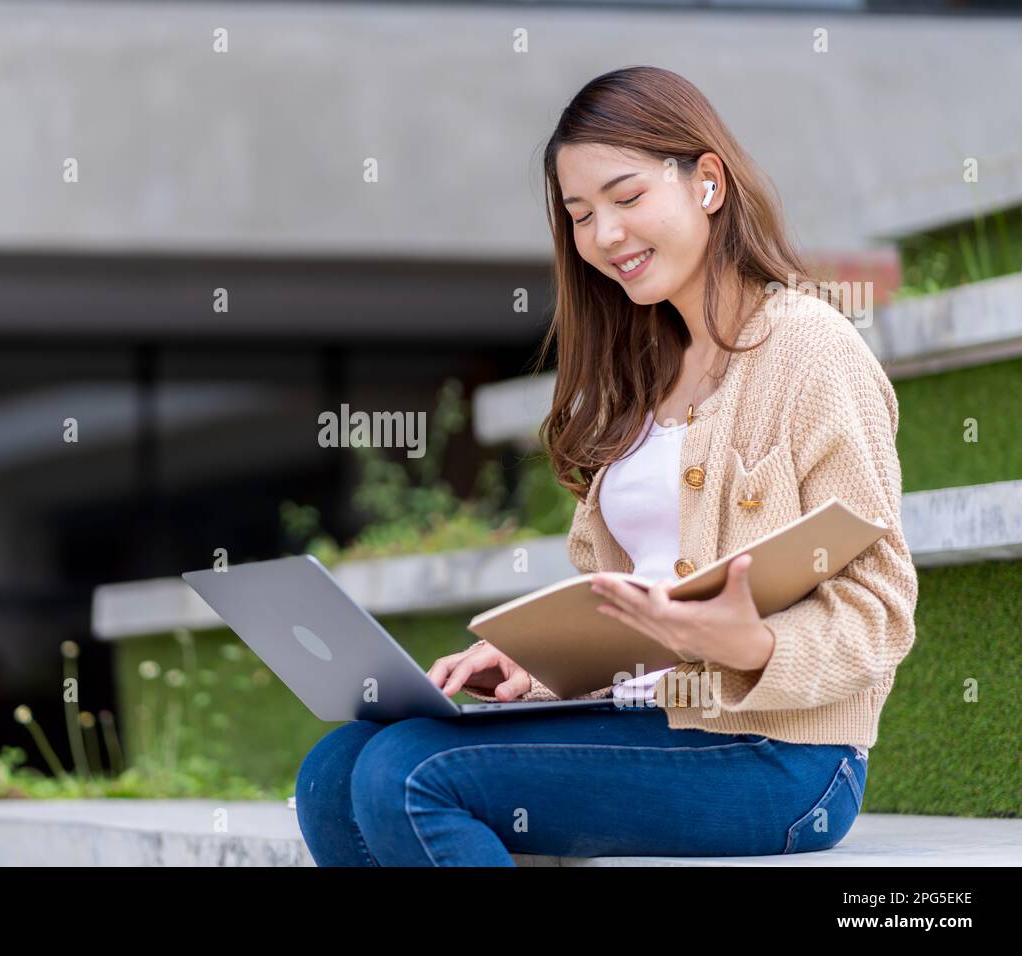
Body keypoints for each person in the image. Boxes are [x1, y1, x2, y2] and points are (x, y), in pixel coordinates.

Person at [294, 65, 918, 867]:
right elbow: (629, 623)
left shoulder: (810, 348)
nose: (607, 235)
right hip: (641, 722)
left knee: (410, 774)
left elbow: (882, 612)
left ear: (708, 183)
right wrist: (539, 664)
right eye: (582, 216)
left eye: (626, 198)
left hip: (780, 759)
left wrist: (751, 644)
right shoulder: (640, 377)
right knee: (334, 770)